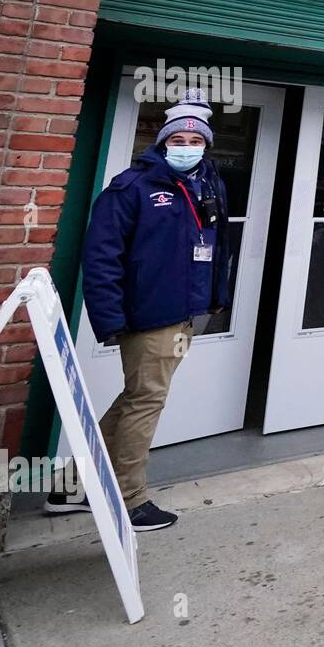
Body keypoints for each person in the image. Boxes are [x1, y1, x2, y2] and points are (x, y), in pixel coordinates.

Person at [45, 90, 231, 531]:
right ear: (163, 141)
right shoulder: (132, 188)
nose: (187, 146)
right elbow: (102, 257)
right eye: (178, 138)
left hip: (186, 313)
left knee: (137, 398)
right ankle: (127, 499)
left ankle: (72, 486)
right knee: (146, 401)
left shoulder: (209, 183)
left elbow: (217, 246)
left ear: (207, 143)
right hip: (150, 317)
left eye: (196, 138)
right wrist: (109, 320)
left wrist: (215, 297)